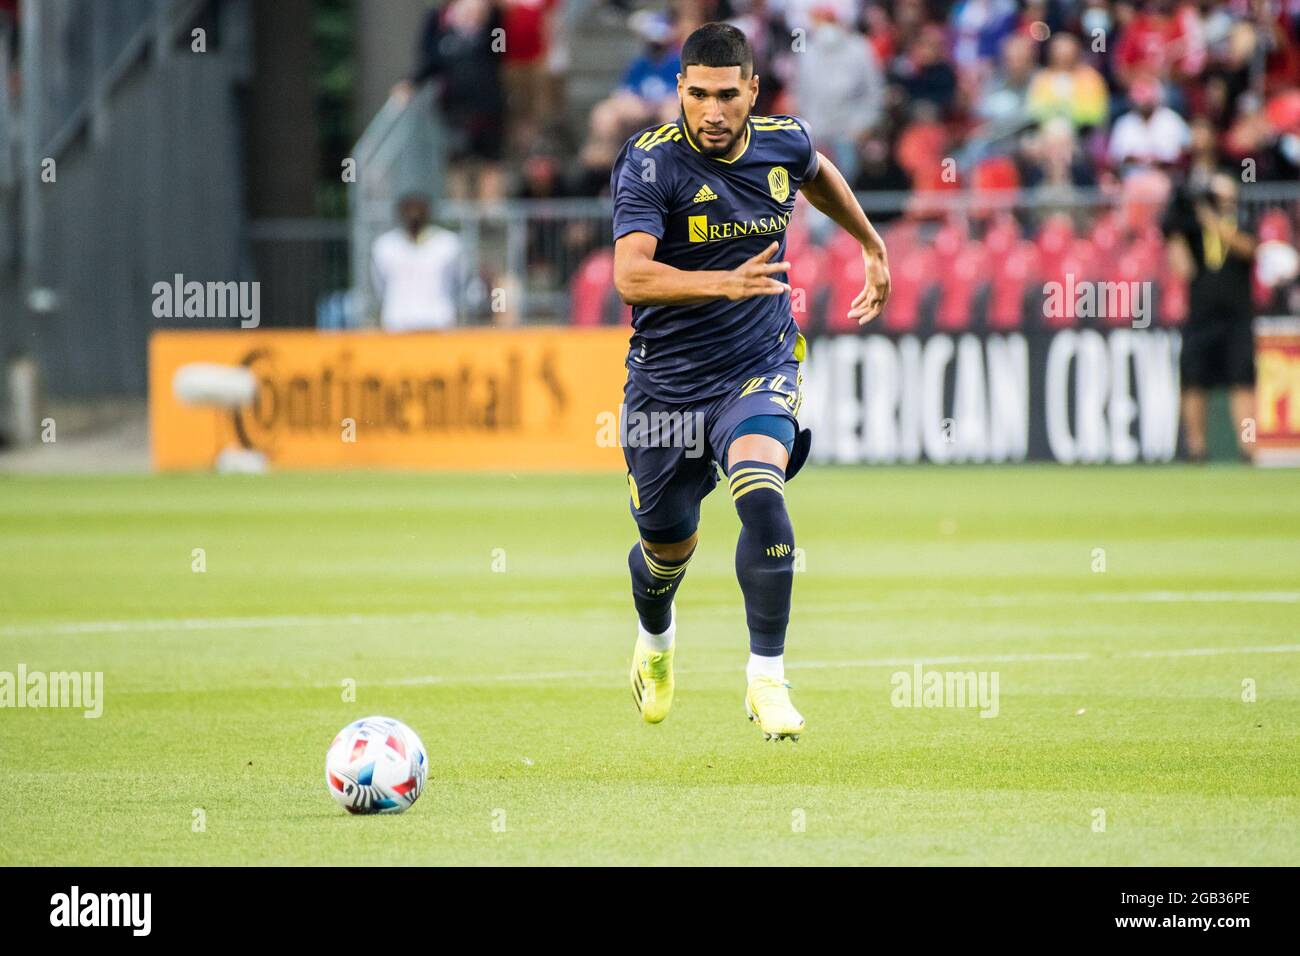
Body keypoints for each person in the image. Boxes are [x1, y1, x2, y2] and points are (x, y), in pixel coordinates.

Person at [610, 23, 890, 740]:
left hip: (756, 366)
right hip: (665, 388)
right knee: (665, 549)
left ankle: (766, 678)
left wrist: (870, 242)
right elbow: (630, 275)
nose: (711, 111)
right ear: (679, 90)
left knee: (761, 494)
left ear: (752, 93)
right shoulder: (649, 165)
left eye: (726, 95)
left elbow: (818, 173)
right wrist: (723, 283)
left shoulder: (782, 139)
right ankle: (657, 640)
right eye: (697, 94)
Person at [1163, 172, 1257, 461]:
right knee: (1193, 381)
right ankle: (1196, 449)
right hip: (1201, 315)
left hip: (1238, 315)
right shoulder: (1192, 228)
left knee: (1242, 381)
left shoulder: (1242, 218)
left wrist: (1211, 219)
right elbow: (1183, 269)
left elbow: (1249, 249)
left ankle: (1248, 449)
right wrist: (1174, 231)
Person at [370, 194, 462, 332]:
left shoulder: (448, 244)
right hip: (397, 324)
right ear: (400, 214)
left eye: (419, 210)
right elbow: (380, 285)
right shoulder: (384, 246)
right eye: (409, 210)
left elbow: (459, 280)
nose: (414, 215)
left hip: (438, 323)